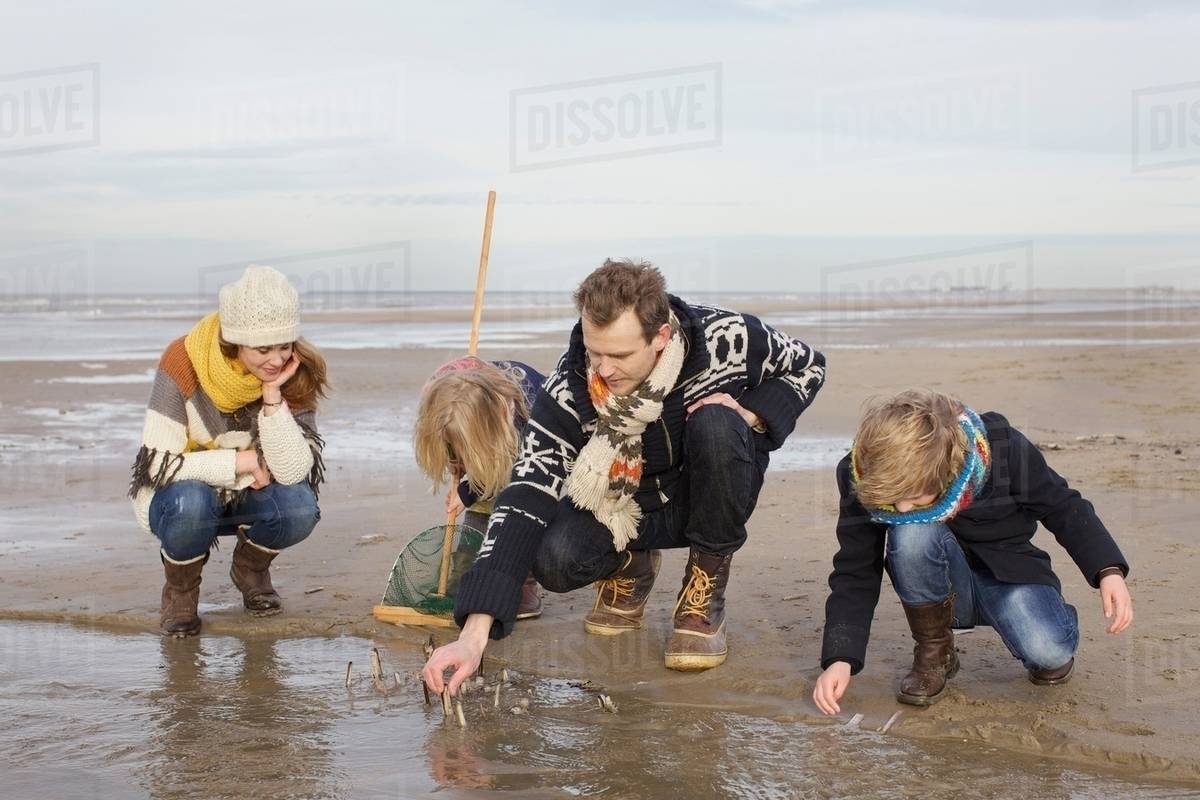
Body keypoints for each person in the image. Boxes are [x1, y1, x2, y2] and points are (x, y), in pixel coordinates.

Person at [423, 259, 826, 695]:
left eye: (619, 355)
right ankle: (630, 566)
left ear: (660, 337)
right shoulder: (569, 386)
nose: (603, 369)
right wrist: (472, 635)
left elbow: (809, 365)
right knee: (552, 557)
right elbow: (524, 493)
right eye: (595, 352)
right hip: (624, 507)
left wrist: (752, 412)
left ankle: (704, 587)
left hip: (704, 494)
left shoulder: (726, 337)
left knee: (716, 423)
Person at [812, 389, 1134, 715]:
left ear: (945, 469)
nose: (902, 508)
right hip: (940, 589)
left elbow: (1063, 507)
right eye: (892, 502)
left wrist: (1108, 571)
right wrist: (841, 659)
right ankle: (935, 653)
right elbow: (856, 569)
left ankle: (1049, 626)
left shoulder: (1002, 447)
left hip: (1012, 574)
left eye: (915, 497)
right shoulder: (863, 475)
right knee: (910, 533)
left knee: (1049, 653)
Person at [129, 265, 328, 637]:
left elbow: (293, 471)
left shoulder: (291, 373)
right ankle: (181, 593)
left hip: (246, 498)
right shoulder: (183, 361)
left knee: (300, 506)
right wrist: (242, 461)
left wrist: (272, 400)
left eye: (285, 345)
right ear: (234, 341)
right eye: (263, 349)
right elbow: (156, 465)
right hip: (181, 503)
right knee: (191, 501)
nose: (276, 360)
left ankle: (250, 569)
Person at [413, 356, 546, 617]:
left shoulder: (522, 422)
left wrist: (466, 492)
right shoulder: (439, 398)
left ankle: (524, 580)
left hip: (520, 452)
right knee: (478, 514)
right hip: (481, 427)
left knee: (512, 508)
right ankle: (466, 568)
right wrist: (454, 456)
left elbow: (506, 470)